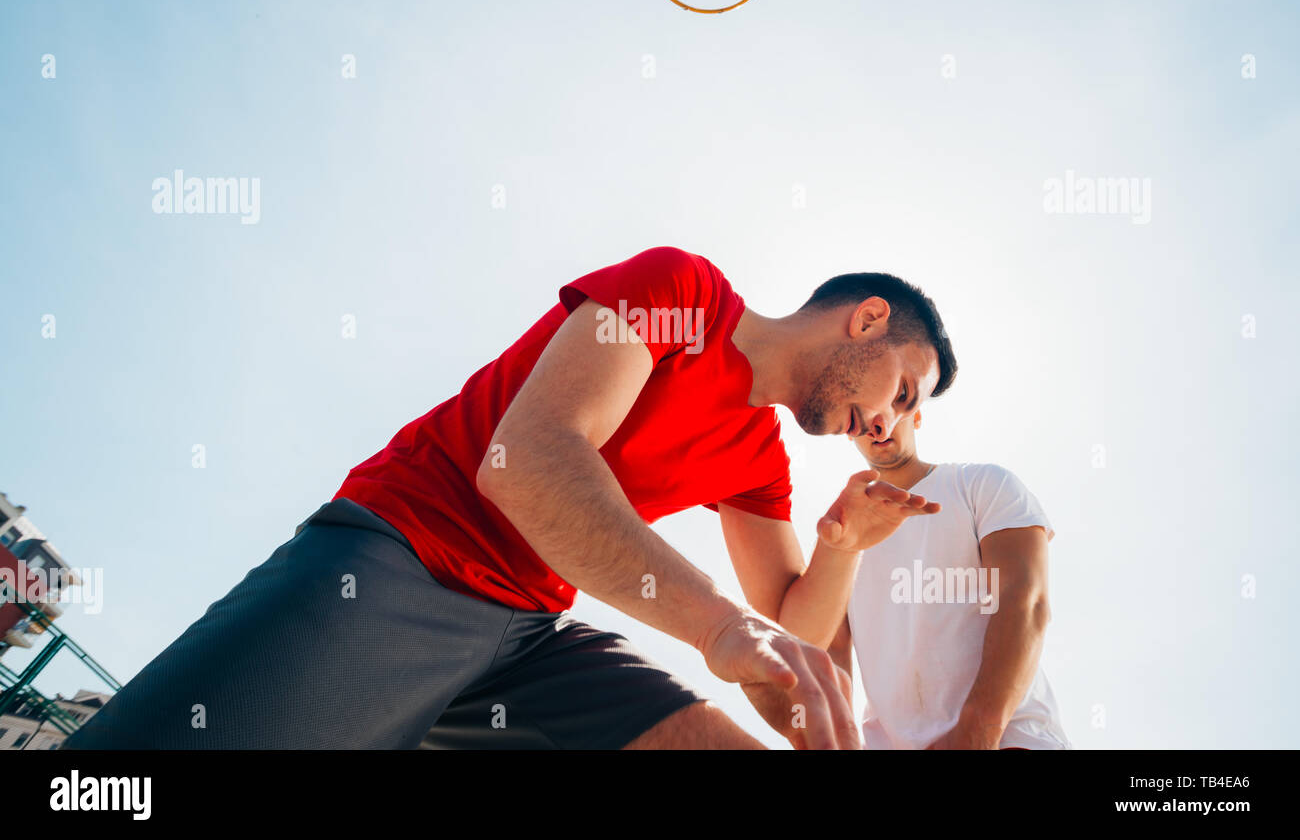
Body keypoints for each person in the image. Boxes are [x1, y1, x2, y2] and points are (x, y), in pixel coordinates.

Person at [64, 246, 956, 750]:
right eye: (905, 392)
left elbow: (786, 624)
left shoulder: (758, 457)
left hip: (526, 633)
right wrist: (719, 627)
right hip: (405, 557)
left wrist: (840, 544)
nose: (891, 422)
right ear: (868, 319)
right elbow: (526, 463)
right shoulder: (686, 297)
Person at [833, 410, 1071, 749]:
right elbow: (829, 658)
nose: (877, 425)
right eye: (859, 414)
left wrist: (975, 734)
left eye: (889, 405)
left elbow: (1026, 600)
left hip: (1011, 741)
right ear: (846, 430)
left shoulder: (984, 485)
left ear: (915, 414)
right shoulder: (842, 538)